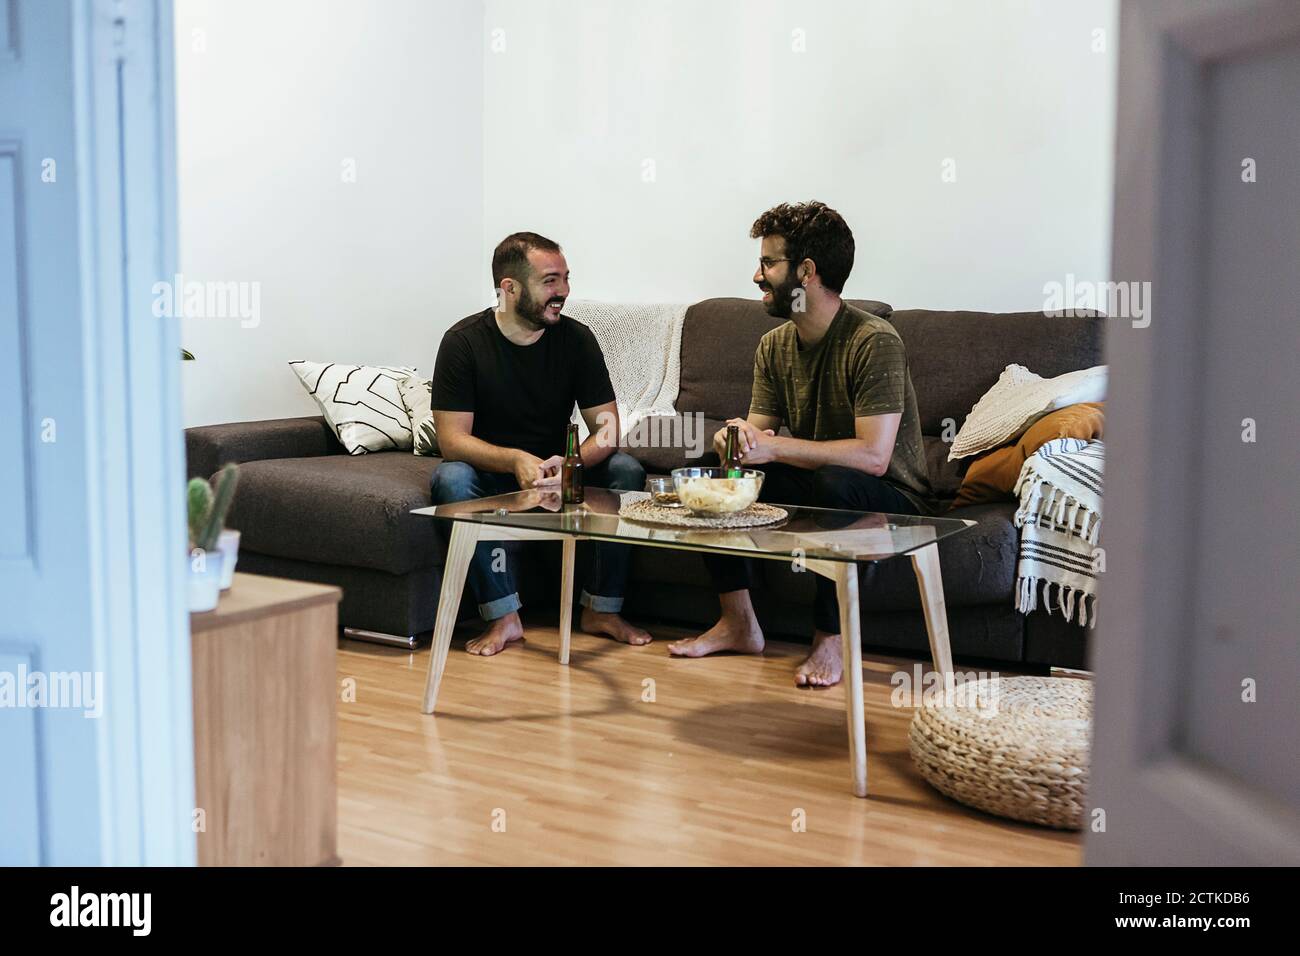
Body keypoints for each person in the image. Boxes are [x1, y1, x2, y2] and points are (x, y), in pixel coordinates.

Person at [667, 202, 933, 687]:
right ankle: (739, 622)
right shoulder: (774, 345)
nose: (757, 275)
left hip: (893, 496)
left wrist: (774, 449)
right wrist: (734, 441)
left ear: (806, 272)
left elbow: (874, 458)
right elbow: (756, 437)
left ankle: (830, 640)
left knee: (837, 483)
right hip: (822, 481)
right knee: (717, 471)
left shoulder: (875, 341)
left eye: (768, 263)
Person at [430, 231, 652, 656]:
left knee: (626, 469)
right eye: (551, 281)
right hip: (493, 476)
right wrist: (515, 460)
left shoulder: (576, 340)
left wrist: (569, 465)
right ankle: (503, 617)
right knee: (451, 479)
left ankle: (601, 608)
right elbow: (452, 440)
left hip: (560, 474)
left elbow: (607, 429)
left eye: (566, 279)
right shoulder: (463, 343)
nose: (564, 292)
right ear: (509, 288)